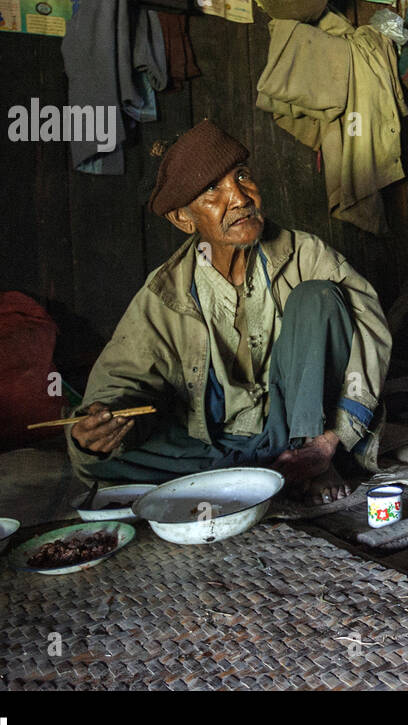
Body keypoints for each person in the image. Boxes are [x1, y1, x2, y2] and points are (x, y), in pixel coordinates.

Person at [67, 118, 391, 504]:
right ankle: (265, 470)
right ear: (183, 219)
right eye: (212, 191)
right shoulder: (166, 292)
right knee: (102, 464)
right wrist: (100, 427)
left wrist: (327, 442)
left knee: (318, 296)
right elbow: (120, 381)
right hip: (213, 439)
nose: (239, 198)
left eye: (242, 176)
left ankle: (310, 458)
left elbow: (370, 330)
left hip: (295, 425)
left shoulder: (304, 254)